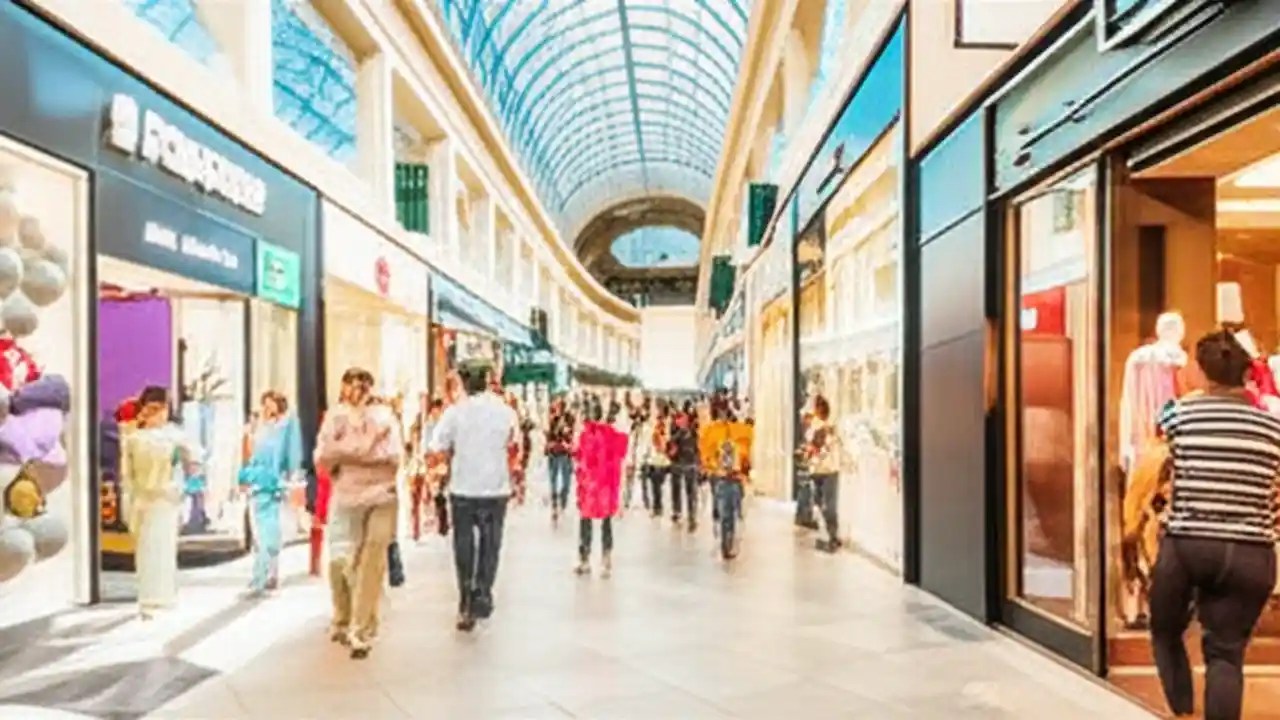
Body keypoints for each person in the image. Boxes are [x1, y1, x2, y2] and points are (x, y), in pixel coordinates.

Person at [1148, 330, 1280, 720]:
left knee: (1165, 629)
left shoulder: (1179, 413)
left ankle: (1183, 711)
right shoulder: (1273, 428)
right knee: (1226, 654)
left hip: (1189, 543)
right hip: (1251, 553)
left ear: (1201, 372)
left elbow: (1157, 453)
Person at [314, 368, 403, 659]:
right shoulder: (335, 417)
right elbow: (323, 457)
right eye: (351, 385)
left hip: (382, 497)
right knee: (342, 559)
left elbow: (393, 458)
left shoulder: (384, 417)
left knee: (371, 562)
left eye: (361, 385)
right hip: (346, 498)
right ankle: (343, 617)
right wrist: (364, 450)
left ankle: (361, 628)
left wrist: (347, 454)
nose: (356, 391)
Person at [429, 362, 519, 632]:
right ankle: (483, 592)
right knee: (491, 545)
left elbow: (437, 447)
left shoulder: (454, 413)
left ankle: (466, 602)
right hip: (496, 489)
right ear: (488, 379)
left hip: (464, 489)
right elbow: (514, 444)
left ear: (464, 382)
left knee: (464, 547)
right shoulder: (506, 412)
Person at [120, 386, 201, 619]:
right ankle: (147, 598)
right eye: (153, 408)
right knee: (146, 551)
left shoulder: (174, 434)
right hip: (143, 500)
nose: (158, 413)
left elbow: (194, 460)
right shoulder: (133, 437)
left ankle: (163, 597)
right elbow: (126, 474)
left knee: (164, 549)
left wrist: (185, 483)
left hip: (166, 498)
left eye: (161, 408)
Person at [238, 390, 303, 596]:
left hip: (275, 484)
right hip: (257, 482)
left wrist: (293, 480)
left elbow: (292, 455)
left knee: (270, 531)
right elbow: (248, 455)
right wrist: (244, 479)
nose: (267, 409)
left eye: (271, 404)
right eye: (264, 404)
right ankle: (264, 573)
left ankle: (266, 574)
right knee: (261, 532)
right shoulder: (258, 429)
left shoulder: (286, 426)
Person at [573, 404, 627, 576]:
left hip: (589, 485)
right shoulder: (612, 434)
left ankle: (585, 560)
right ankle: (606, 560)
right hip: (607, 486)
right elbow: (622, 451)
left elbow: (579, 457)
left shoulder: (585, 435)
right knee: (606, 522)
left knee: (586, 522)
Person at [700, 400, 753, 560]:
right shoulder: (713, 431)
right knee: (726, 514)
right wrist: (712, 468)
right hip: (723, 478)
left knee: (734, 513)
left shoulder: (741, 432)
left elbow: (746, 455)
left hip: (733, 478)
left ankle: (729, 543)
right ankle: (726, 545)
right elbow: (707, 455)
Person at [803, 395, 842, 552]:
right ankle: (829, 535)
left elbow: (833, 443)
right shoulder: (815, 427)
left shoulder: (829, 427)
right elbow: (811, 446)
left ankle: (831, 535)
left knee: (827, 506)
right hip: (819, 470)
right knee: (821, 504)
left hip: (828, 470)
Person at [668, 402, 700, 532]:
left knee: (689, 491)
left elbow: (698, 446)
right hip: (680, 463)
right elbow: (670, 443)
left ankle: (689, 516)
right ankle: (680, 512)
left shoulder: (693, 431)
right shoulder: (677, 429)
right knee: (681, 490)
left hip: (688, 464)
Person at [545, 397, 575, 523]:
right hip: (554, 453)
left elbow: (572, 434)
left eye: (560, 406)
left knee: (566, 482)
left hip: (565, 454)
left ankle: (562, 502)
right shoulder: (551, 419)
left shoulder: (569, 418)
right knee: (553, 481)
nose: (558, 408)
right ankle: (555, 504)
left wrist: (568, 441)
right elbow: (548, 435)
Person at [647, 401, 672, 518]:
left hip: (660, 459)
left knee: (656, 485)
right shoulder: (659, 425)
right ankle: (657, 507)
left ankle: (658, 507)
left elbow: (663, 443)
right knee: (655, 485)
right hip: (655, 459)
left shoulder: (663, 426)